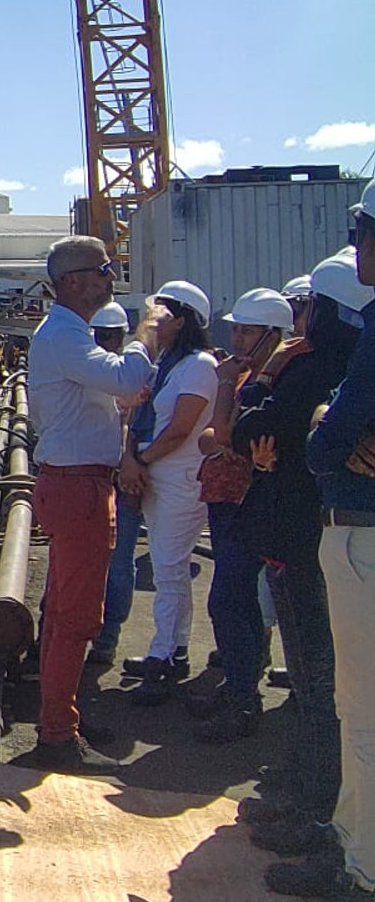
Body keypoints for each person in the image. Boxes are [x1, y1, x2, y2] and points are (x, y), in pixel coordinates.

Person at [239, 262, 365, 882]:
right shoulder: (325, 365)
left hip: (305, 537)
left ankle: (321, 813)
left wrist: (291, 417)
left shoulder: (316, 366)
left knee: (323, 688)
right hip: (310, 535)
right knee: (324, 687)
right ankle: (319, 801)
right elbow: (254, 426)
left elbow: (268, 430)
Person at [281, 186, 375, 902]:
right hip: (355, 534)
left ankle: (363, 882)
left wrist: (322, 430)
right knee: (353, 709)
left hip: (362, 538)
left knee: (365, 718)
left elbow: (324, 442)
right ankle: (348, 843)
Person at [25, 236, 158, 770]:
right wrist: (147, 330)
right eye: (103, 270)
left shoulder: (67, 336)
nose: (110, 278)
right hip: (80, 486)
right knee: (77, 616)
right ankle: (57, 733)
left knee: (64, 610)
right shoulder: (63, 336)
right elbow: (127, 377)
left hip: (74, 481)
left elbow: (113, 388)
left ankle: (62, 715)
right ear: (74, 281)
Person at [187, 288, 297, 735]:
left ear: (272, 334)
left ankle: (243, 696)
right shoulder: (252, 373)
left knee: (232, 598)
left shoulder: (265, 379)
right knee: (234, 600)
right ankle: (239, 684)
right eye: (235, 328)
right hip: (231, 498)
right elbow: (211, 438)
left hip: (249, 501)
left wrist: (227, 386)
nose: (237, 338)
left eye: (247, 330)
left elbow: (224, 436)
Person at [122, 281, 217, 706]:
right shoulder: (167, 366)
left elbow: (181, 429)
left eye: (161, 315)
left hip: (180, 478)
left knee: (168, 567)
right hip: (160, 474)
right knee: (170, 569)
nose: (154, 323)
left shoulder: (198, 366)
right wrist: (135, 457)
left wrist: (139, 461)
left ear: (181, 321)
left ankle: (164, 655)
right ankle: (173, 649)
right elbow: (141, 415)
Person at [91, 301, 144, 667]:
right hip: (95, 475)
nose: (107, 341)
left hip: (116, 476)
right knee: (102, 560)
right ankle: (90, 633)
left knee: (119, 561)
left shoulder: (128, 373)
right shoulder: (96, 368)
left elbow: (136, 420)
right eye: (102, 335)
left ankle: (107, 636)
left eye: (110, 335)